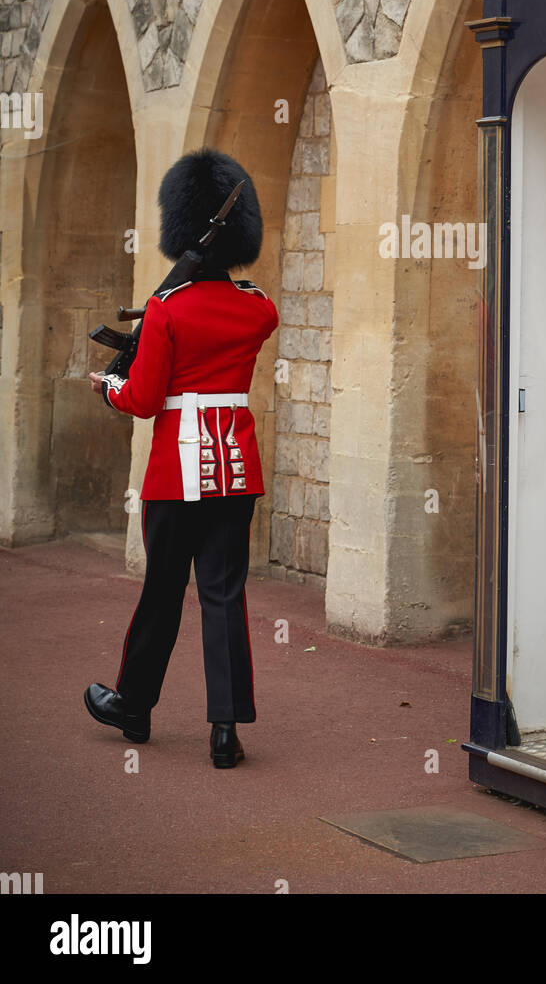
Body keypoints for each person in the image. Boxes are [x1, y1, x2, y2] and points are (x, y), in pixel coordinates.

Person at [83, 148, 279, 768]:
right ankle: (225, 731)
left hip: (176, 472)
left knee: (163, 591)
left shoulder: (168, 309)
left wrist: (108, 385)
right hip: (236, 470)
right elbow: (235, 311)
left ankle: (134, 705)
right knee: (224, 596)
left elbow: (143, 400)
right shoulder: (257, 307)